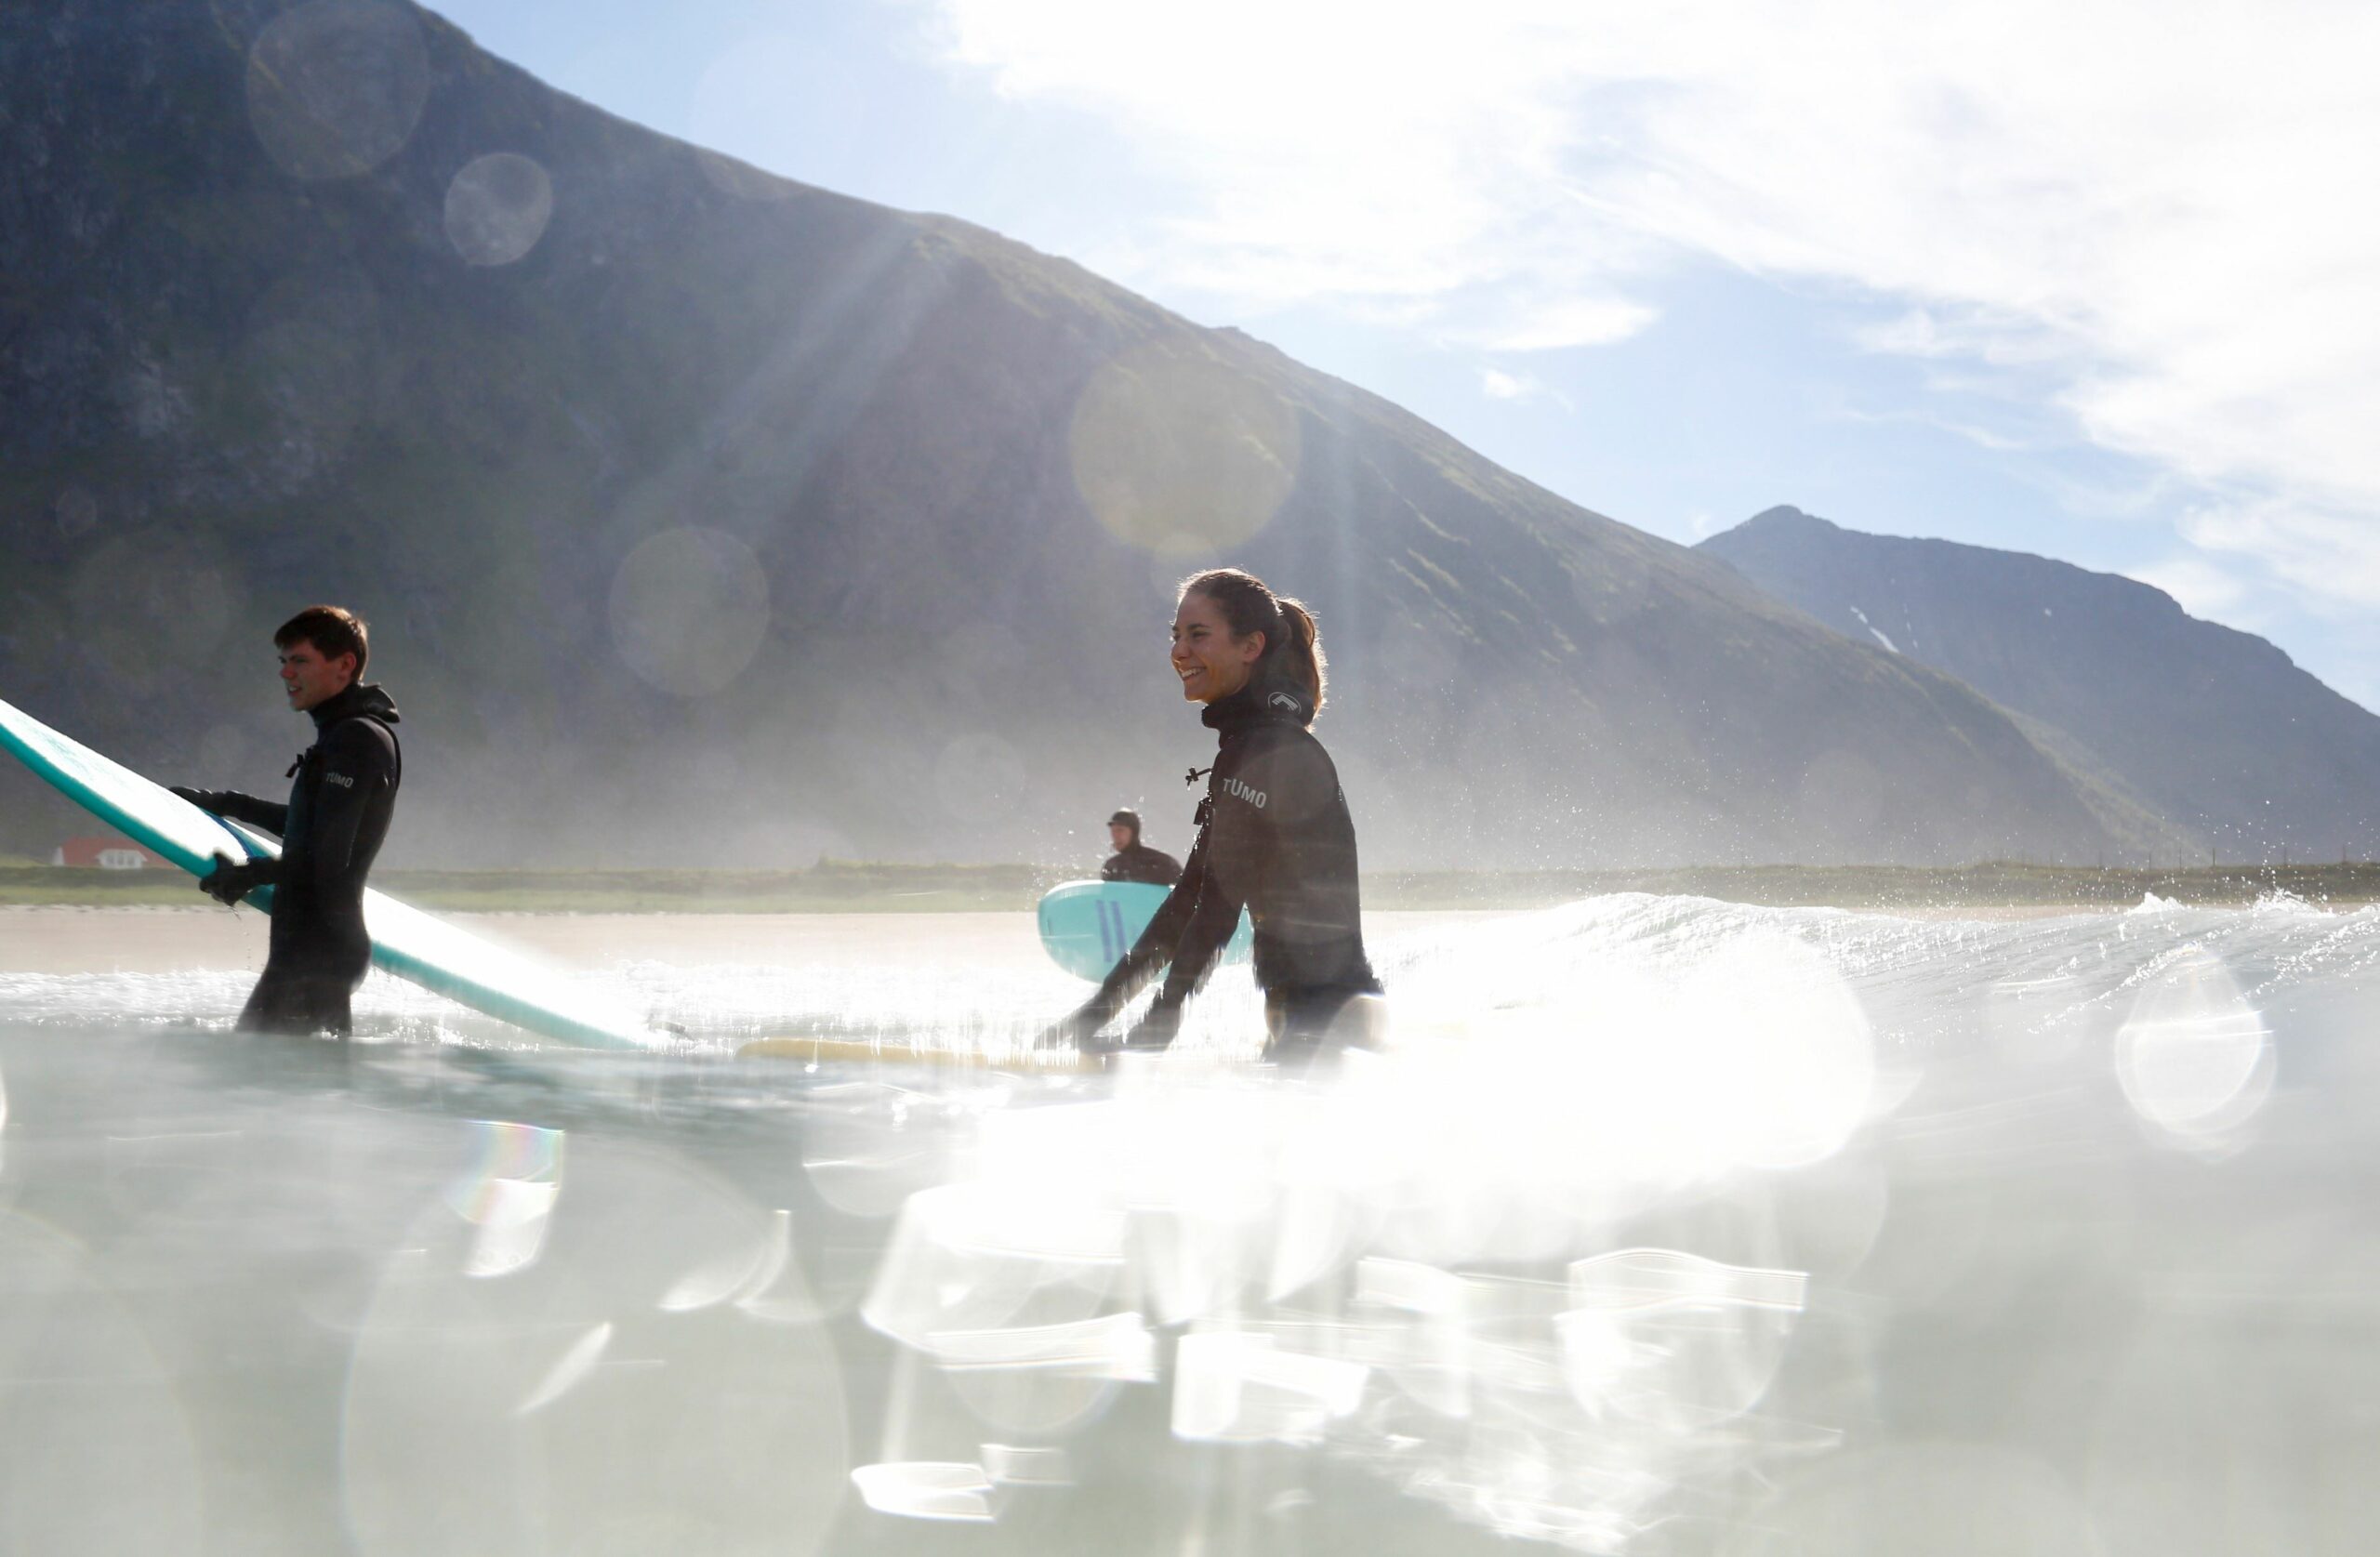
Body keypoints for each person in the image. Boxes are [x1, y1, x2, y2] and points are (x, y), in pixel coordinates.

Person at [1051, 568, 1382, 1059]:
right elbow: (1192, 897)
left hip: (1324, 1026)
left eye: (1198, 635)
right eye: (1176, 635)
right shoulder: (1252, 745)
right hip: (1314, 1021)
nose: (1179, 651)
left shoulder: (1270, 751)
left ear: (1250, 647)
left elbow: (1217, 908)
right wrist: (1097, 1012)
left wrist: (1158, 1024)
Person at [171, 605, 402, 1036]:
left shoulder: (357, 739)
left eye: (300, 660)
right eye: (283, 661)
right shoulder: (344, 736)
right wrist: (224, 803)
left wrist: (251, 874)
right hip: (315, 953)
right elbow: (309, 828)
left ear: (344, 666)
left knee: (253, 1079)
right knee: (294, 1092)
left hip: (318, 956)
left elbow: (326, 857)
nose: (285, 673)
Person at [1100, 808, 1182, 887]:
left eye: (1120, 830)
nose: (1116, 836)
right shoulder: (1111, 866)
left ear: (1134, 832)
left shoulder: (1162, 863)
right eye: (1113, 831)